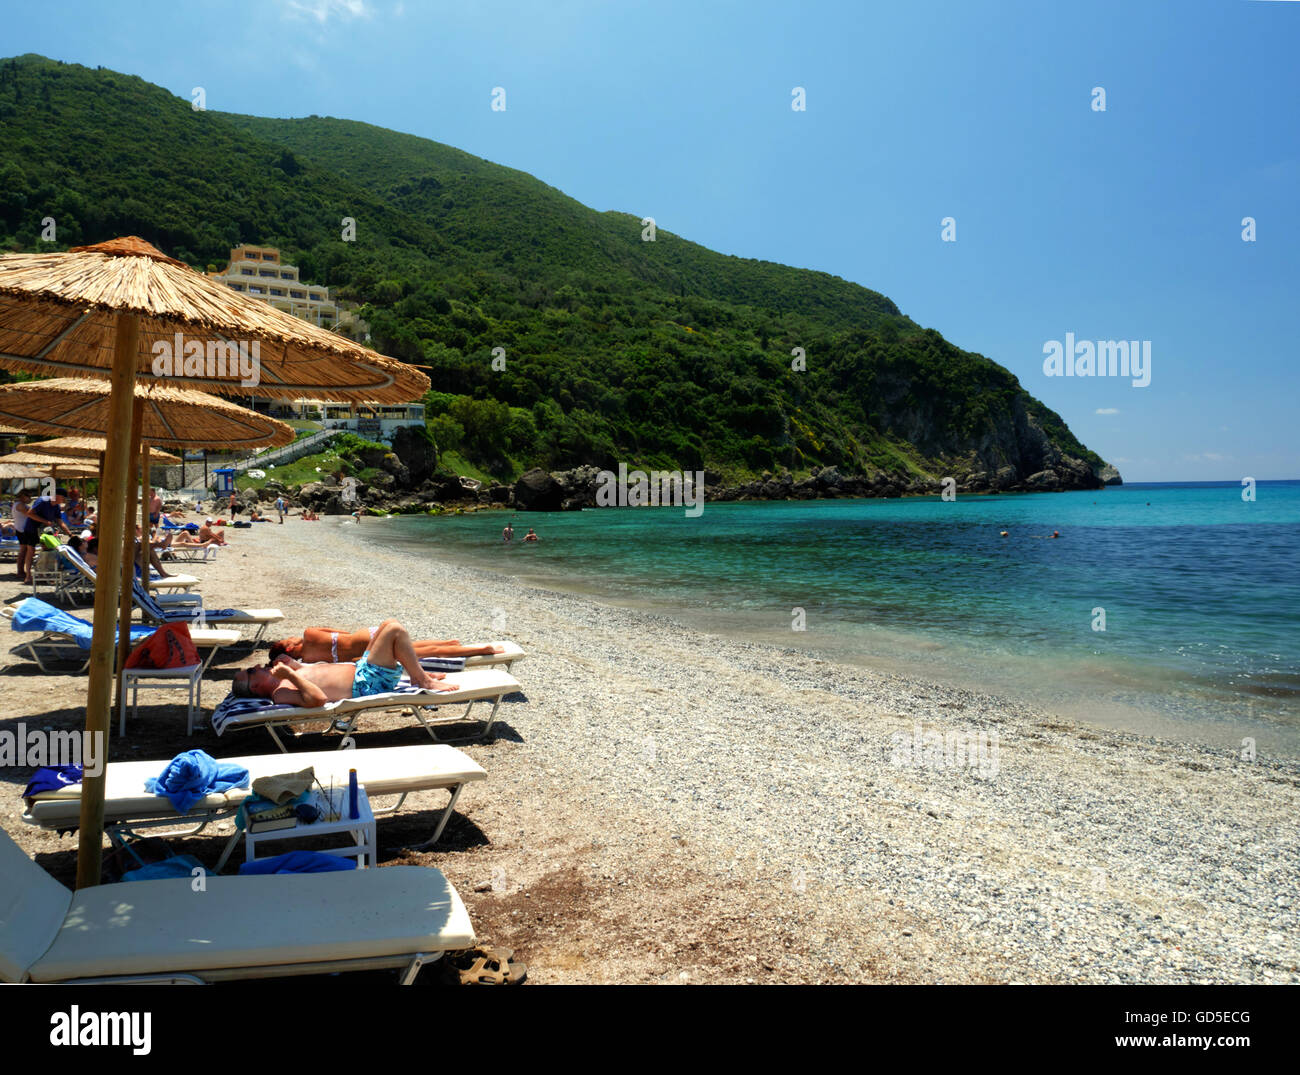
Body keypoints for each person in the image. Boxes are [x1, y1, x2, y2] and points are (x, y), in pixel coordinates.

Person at [233, 620, 461, 707]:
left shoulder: (285, 679)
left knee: (386, 625)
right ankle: (422, 680)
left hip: (363, 670)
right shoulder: (280, 693)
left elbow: (315, 674)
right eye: (252, 671)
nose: (258, 666)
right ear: (255, 687)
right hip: (367, 684)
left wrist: (294, 666)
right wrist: (290, 675)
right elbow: (318, 699)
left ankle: (416, 673)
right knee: (395, 630)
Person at [270, 626, 505, 664]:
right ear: (289, 648)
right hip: (367, 637)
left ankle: (454, 645)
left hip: (367, 651)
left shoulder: (309, 661)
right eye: (287, 641)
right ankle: (480, 649)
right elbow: (343, 632)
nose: (291, 637)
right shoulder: (309, 633)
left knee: (415, 651)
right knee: (416, 648)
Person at [14, 488, 71, 583]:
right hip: (31, 529)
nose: (64, 500)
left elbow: (60, 522)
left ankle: (44, 573)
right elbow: (30, 514)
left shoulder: (56, 507)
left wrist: (70, 534)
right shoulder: (42, 501)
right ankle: (28, 576)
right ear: (57, 496)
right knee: (31, 551)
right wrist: (45, 521)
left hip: (44, 531)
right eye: (63, 498)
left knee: (49, 550)